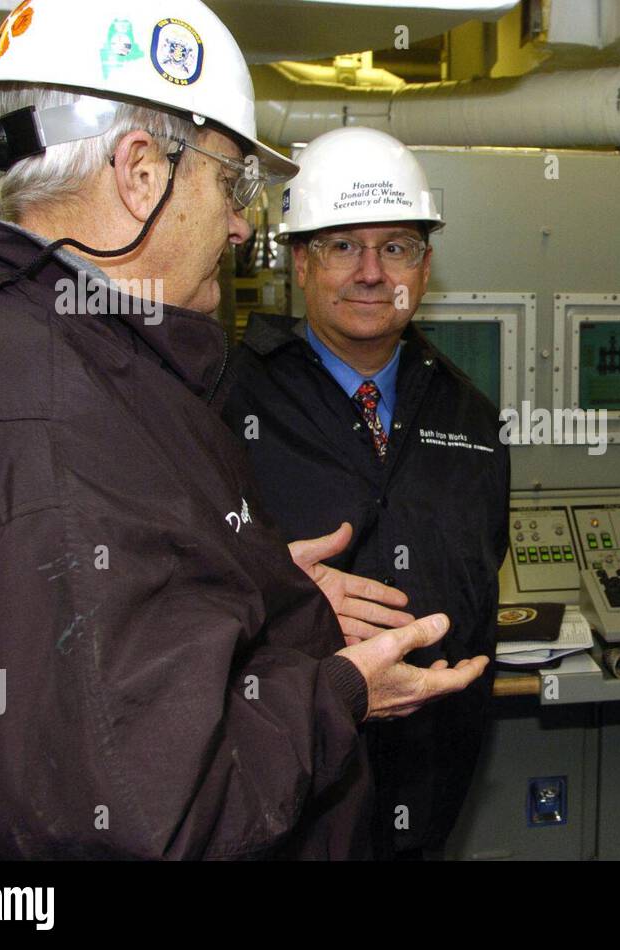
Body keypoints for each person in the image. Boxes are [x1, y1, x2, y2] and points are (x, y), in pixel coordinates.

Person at [0, 0, 487, 860]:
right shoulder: (50, 426)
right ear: (142, 172)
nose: (242, 223)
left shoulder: (55, 363)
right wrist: (339, 696)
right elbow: (155, 815)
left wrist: (243, 588)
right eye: (230, 183)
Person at [222, 127, 511, 859]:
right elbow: (166, 599)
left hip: (430, 778)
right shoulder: (224, 401)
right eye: (343, 245)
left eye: (397, 246)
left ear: (426, 263)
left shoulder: (468, 413)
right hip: (282, 789)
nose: (372, 272)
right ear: (299, 261)